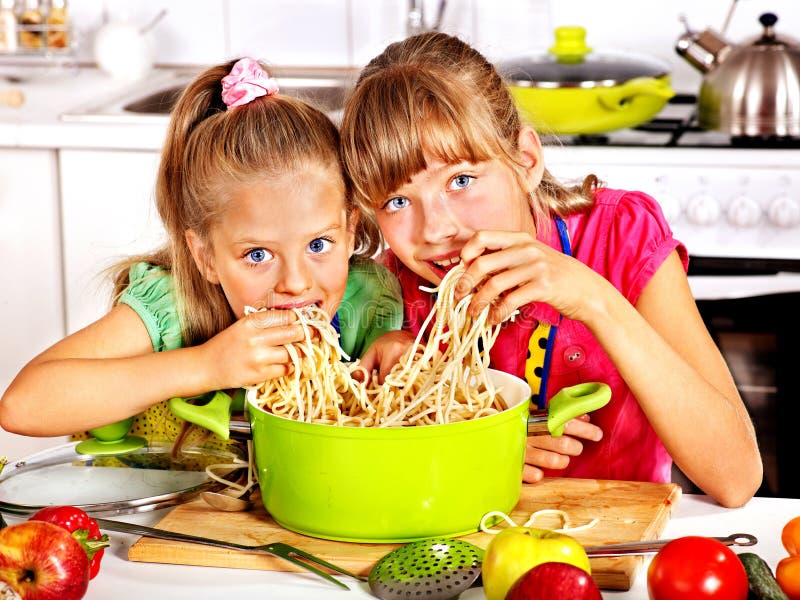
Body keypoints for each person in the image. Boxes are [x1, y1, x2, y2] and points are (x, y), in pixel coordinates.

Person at [340, 32, 761, 507]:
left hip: (625, 548)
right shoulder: (388, 291)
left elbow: (736, 477)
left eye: (461, 180)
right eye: (397, 200)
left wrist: (596, 300)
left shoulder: (620, 236)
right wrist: (472, 456)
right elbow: (377, 484)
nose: (436, 230)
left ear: (525, 161)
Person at [0, 57, 402, 448]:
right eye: (258, 255)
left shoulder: (368, 301)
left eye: (318, 245)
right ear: (206, 256)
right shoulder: (174, 307)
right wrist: (207, 365)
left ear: (349, 233)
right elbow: (22, 405)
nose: (295, 282)